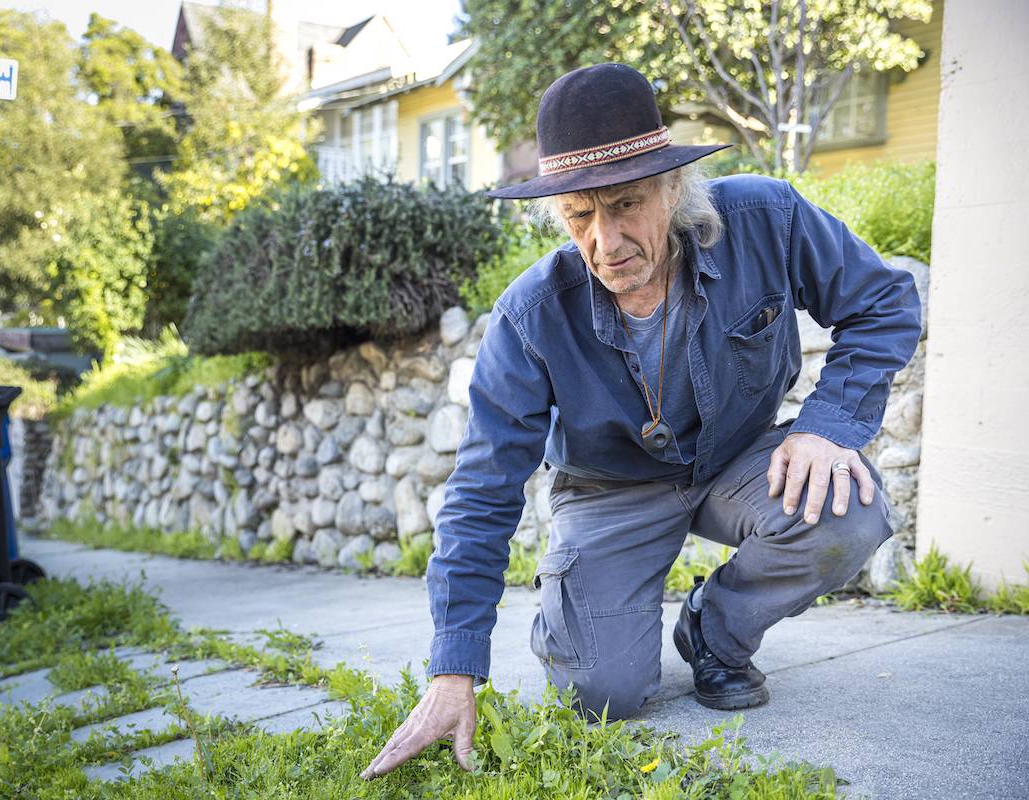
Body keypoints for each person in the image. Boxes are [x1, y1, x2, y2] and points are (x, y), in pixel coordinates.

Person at [361, 62, 921, 780]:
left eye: (626, 205)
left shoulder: (767, 221)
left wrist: (826, 426)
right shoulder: (529, 317)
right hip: (609, 490)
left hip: (740, 457)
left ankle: (715, 634)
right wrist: (454, 669)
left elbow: (884, 304)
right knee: (601, 694)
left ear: (674, 189)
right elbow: (482, 490)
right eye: (580, 217)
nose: (606, 241)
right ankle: (588, 612)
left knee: (850, 508)